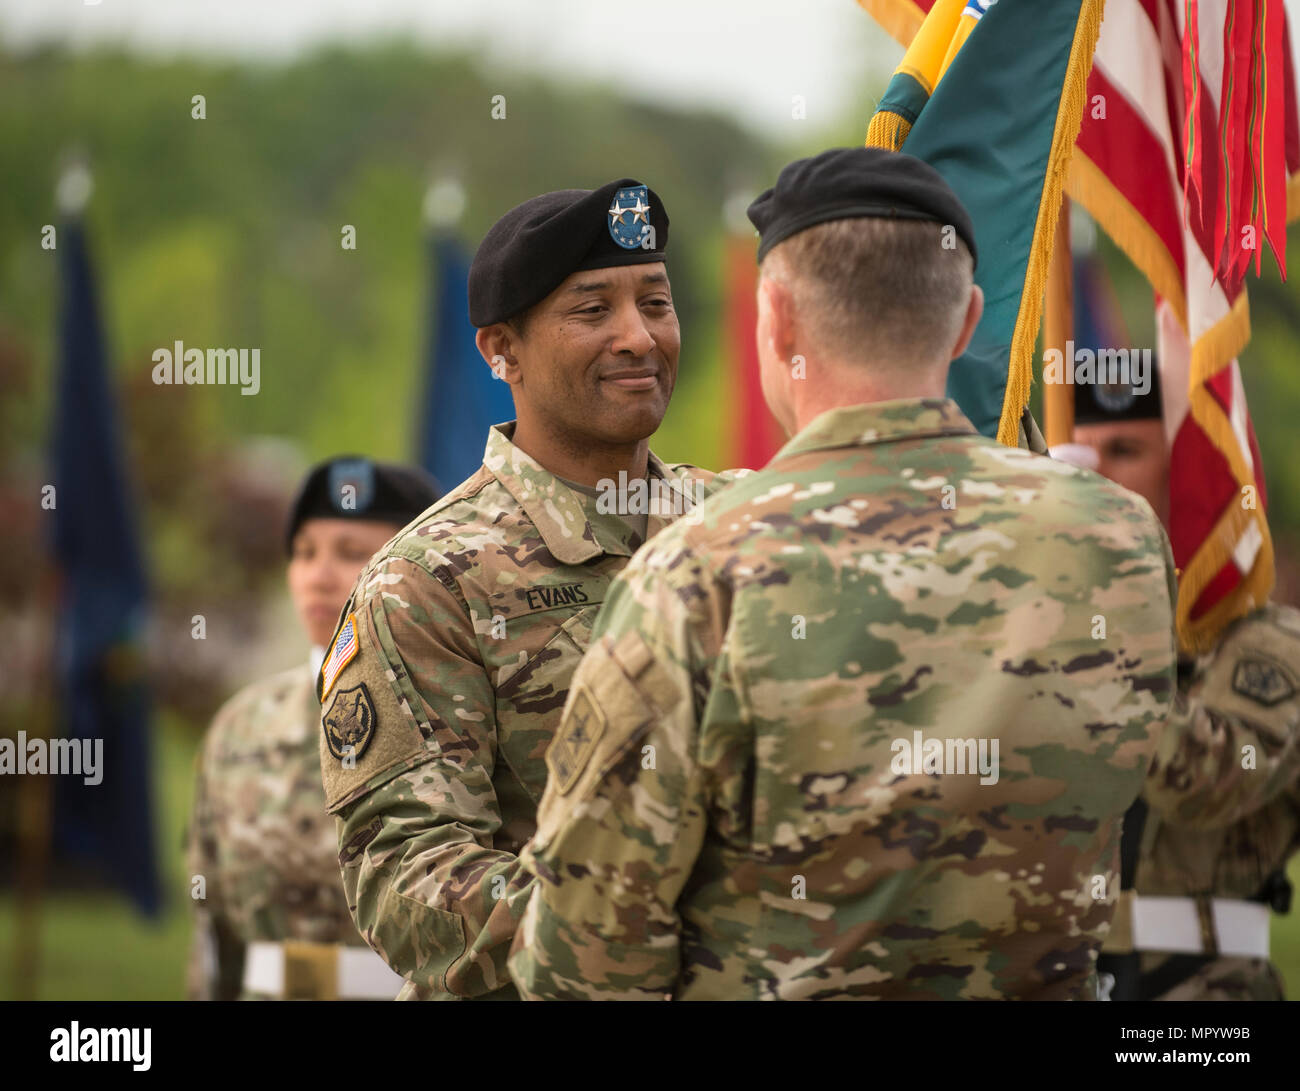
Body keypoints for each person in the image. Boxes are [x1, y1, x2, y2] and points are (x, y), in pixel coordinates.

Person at [508, 147, 1181, 1000]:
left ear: (778, 321)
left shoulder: (695, 568)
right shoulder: (1118, 536)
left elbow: (583, 956)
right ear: (970, 321)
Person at [317, 178, 739, 1000]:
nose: (638, 338)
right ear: (500, 350)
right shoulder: (426, 581)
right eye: (592, 311)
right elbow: (408, 876)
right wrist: (657, 941)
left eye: (656, 302)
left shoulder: (741, 525)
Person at [1068, 373, 1300, 1001]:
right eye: (1077, 453)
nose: (1093, 476)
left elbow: (1201, 784)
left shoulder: (1267, 645)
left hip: (1204, 998)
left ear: (1193, 479)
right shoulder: (1047, 630)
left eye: (1123, 452)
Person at [186, 456, 438, 1000]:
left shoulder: (461, 717)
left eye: (351, 553)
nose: (319, 576)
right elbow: (213, 934)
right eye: (304, 553)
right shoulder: (243, 724)